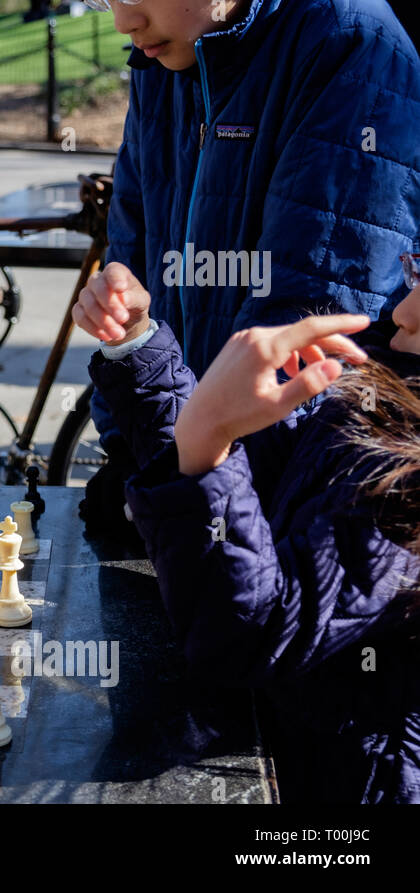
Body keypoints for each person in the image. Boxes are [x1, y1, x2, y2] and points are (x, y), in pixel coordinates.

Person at [72, 256, 420, 803]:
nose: (403, 309)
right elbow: (242, 481)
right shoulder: (381, 386)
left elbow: (251, 639)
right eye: (418, 272)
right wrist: (137, 348)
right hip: (275, 748)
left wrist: (209, 444)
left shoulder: (408, 471)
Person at [81, 0, 420, 536]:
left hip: (281, 501)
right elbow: (133, 255)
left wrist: (187, 474)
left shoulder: (350, 40)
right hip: (187, 463)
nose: (123, 21)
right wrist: (135, 444)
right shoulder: (164, 55)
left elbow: (306, 328)